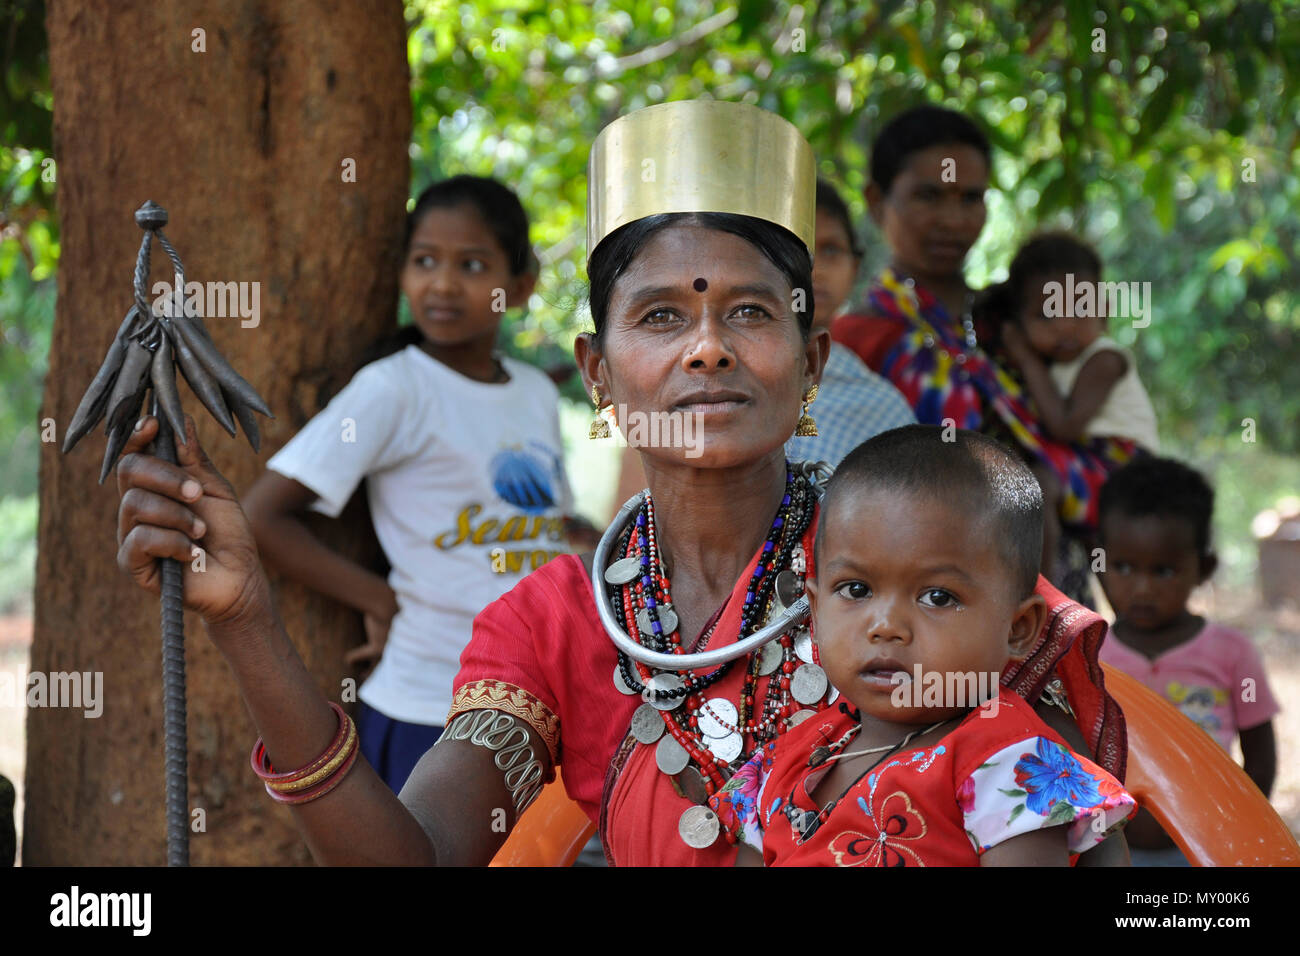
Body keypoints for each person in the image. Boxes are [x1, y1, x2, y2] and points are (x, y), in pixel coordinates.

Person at [111, 99, 1127, 866]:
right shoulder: (554, 619)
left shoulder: (916, 557)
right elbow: (413, 856)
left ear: (812, 358)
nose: (707, 351)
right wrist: (245, 616)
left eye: (748, 314)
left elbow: (1070, 820)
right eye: (658, 319)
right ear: (596, 373)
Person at [241, 175, 576, 793]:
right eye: (424, 262)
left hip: (538, 703)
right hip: (431, 703)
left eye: (472, 265)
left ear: (520, 286)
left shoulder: (533, 392)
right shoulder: (393, 388)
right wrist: (377, 598)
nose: (443, 284)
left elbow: (551, 527)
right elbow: (262, 517)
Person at [710, 426, 1135, 865]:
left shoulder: (1006, 763)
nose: (885, 625)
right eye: (855, 589)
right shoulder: (783, 763)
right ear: (815, 610)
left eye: (937, 597)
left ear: (1018, 628)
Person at [833, 106, 1140, 601]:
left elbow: (1099, 433)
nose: (953, 220)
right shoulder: (857, 343)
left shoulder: (1019, 324)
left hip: (1061, 592)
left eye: (970, 198)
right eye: (928, 196)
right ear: (876, 201)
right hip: (930, 597)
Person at [1097, 456, 1279, 865]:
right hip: (1108, 851)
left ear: (1204, 568)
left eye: (1163, 571)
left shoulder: (1232, 654)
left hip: (1207, 851)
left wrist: (1239, 835)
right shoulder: (1088, 655)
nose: (1142, 587)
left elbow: (1261, 758)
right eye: (1123, 567)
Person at [994, 233, 1160, 575]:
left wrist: (1026, 359)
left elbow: (1065, 426)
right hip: (1092, 467)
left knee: (1037, 485)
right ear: (1019, 323)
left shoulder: (1105, 359)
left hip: (1125, 467)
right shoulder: (1052, 368)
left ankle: (1041, 591)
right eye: (1046, 316)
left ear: (1104, 308)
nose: (1066, 326)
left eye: (1080, 309)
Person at [783, 179, 914, 466]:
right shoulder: (719, 373)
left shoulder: (879, 409)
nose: (813, 268)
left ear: (854, 268)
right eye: (796, 248)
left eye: (830, 250)